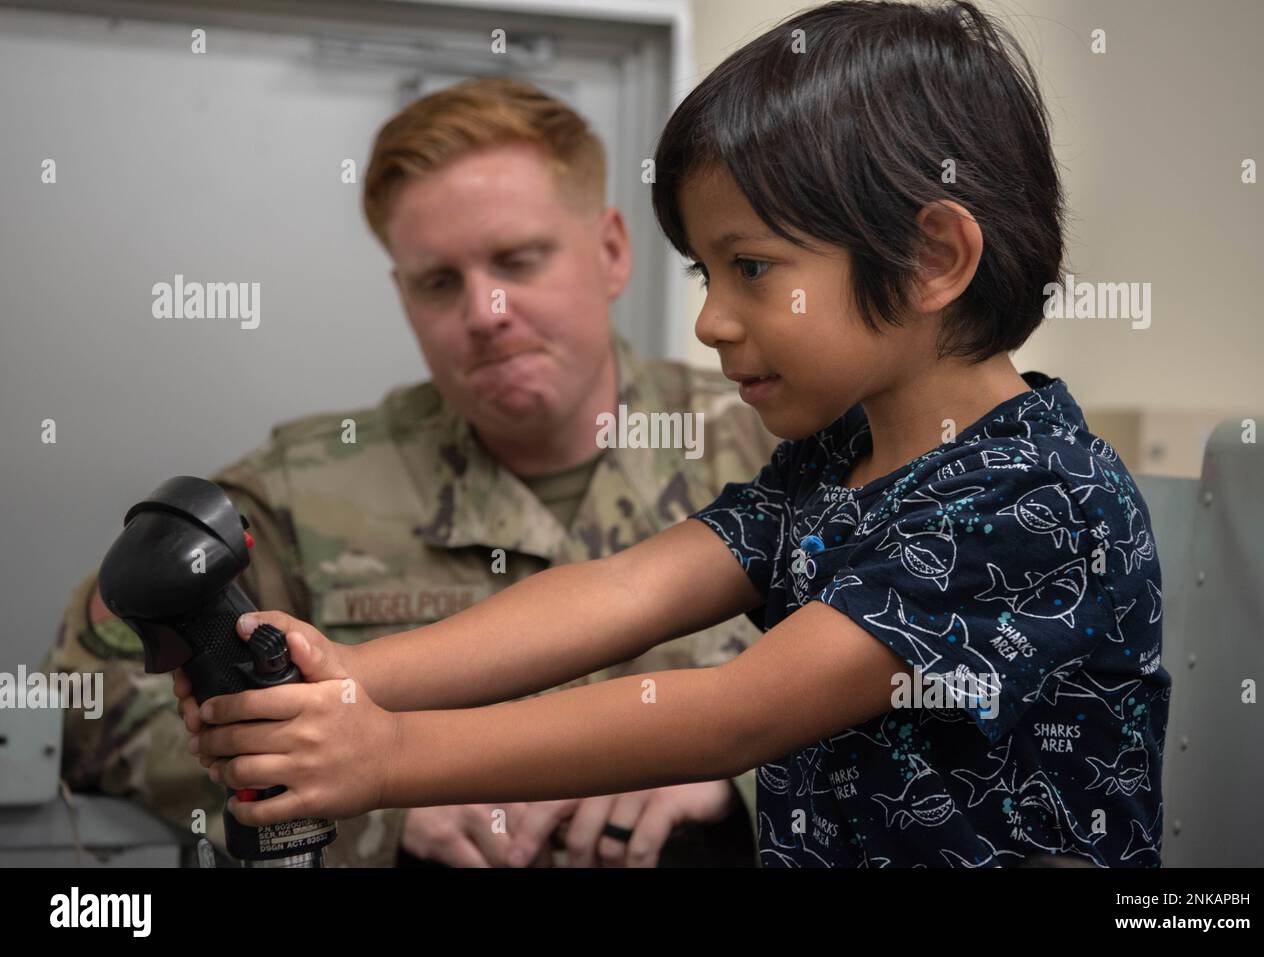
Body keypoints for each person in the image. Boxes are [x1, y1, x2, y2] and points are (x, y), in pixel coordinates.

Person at [179, 0, 1171, 867]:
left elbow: (738, 714)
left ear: (930, 257)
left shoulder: (1031, 496)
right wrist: (357, 675)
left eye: (749, 267)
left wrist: (389, 757)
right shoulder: (837, 460)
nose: (710, 322)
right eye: (706, 274)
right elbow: (626, 588)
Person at [46, 77, 779, 868]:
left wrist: (736, 777)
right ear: (403, 296)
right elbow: (91, 694)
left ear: (610, 251)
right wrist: (374, 803)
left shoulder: (774, 448)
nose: (484, 311)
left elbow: (905, 679)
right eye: (439, 281)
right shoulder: (307, 490)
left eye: (517, 259)